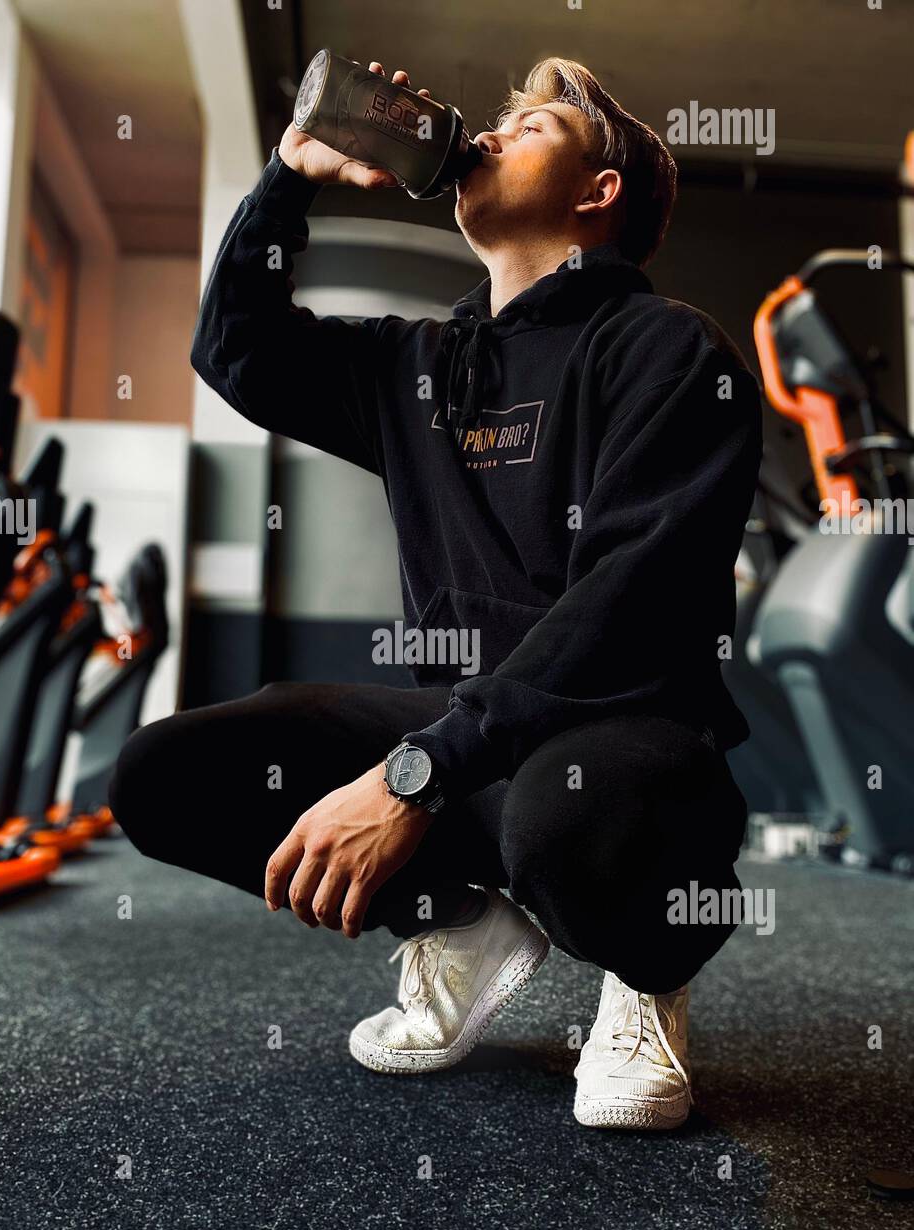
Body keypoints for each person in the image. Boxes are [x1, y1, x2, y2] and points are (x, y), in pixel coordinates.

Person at [109, 56, 762, 1131]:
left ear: (599, 194)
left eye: (537, 125)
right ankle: (464, 917)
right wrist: (289, 176)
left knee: (575, 812)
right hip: (467, 739)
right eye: (498, 120)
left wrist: (413, 777)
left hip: (624, 734)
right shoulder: (420, 368)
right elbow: (235, 348)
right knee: (166, 773)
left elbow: (628, 604)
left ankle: (646, 973)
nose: (494, 134)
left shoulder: (671, 352)